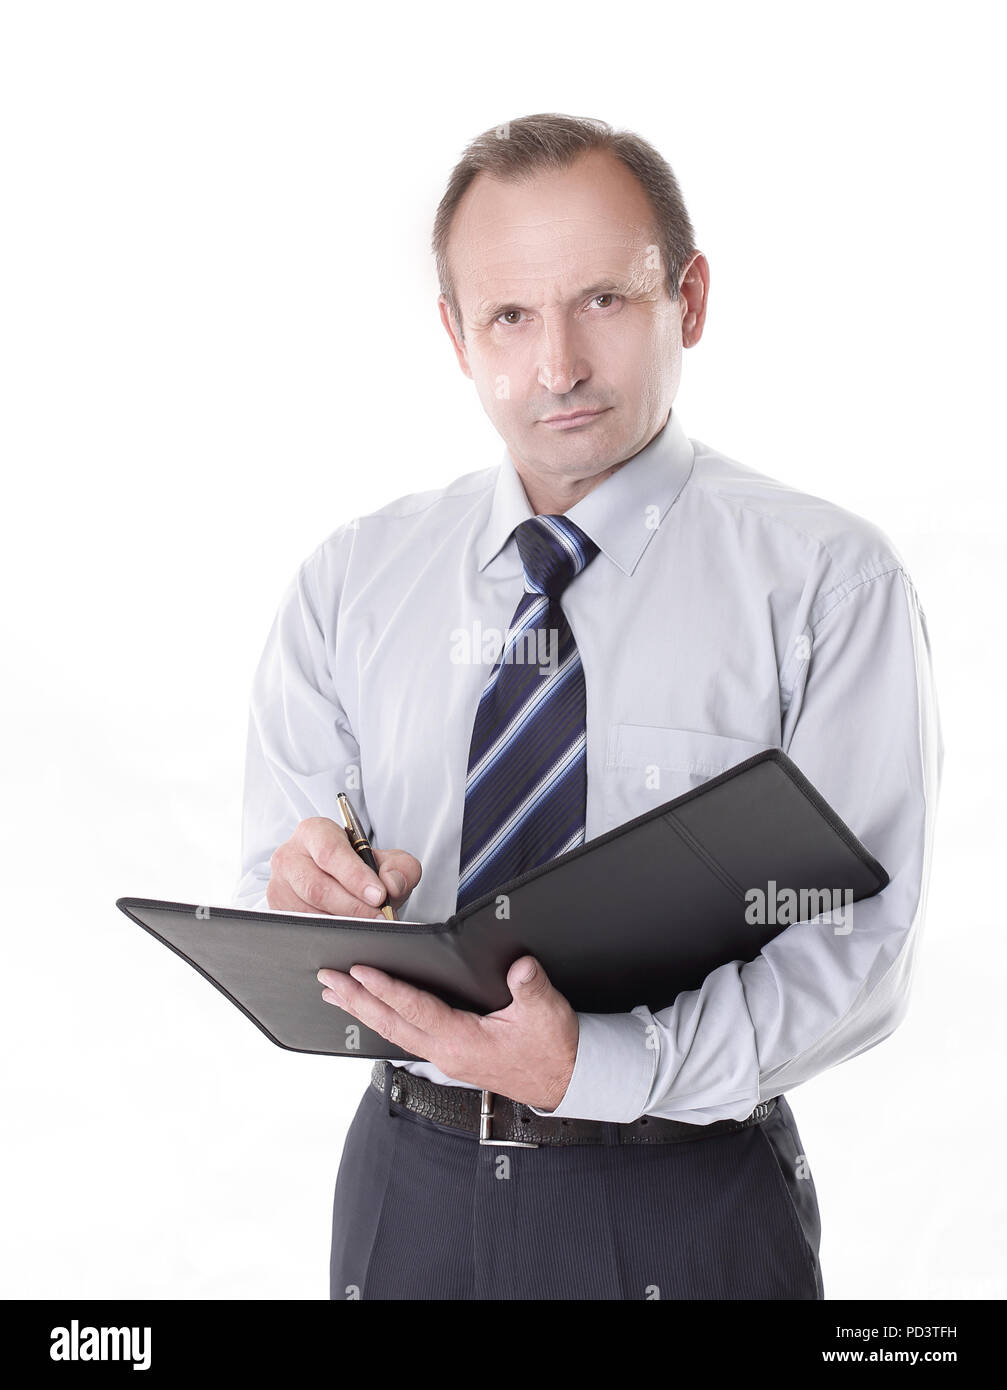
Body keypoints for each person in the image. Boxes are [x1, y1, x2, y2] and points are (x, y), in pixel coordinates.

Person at [233, 113, 943, 1300]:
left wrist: (596, 1065)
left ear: (690, 300)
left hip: (682, 1198)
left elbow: (854, 949)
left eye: (602, 301)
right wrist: (302, 891)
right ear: (457, 336)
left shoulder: (827, 583)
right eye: (509, 316)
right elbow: (282, 866)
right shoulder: (350, 580)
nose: (555, 364)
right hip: (404, 1191)